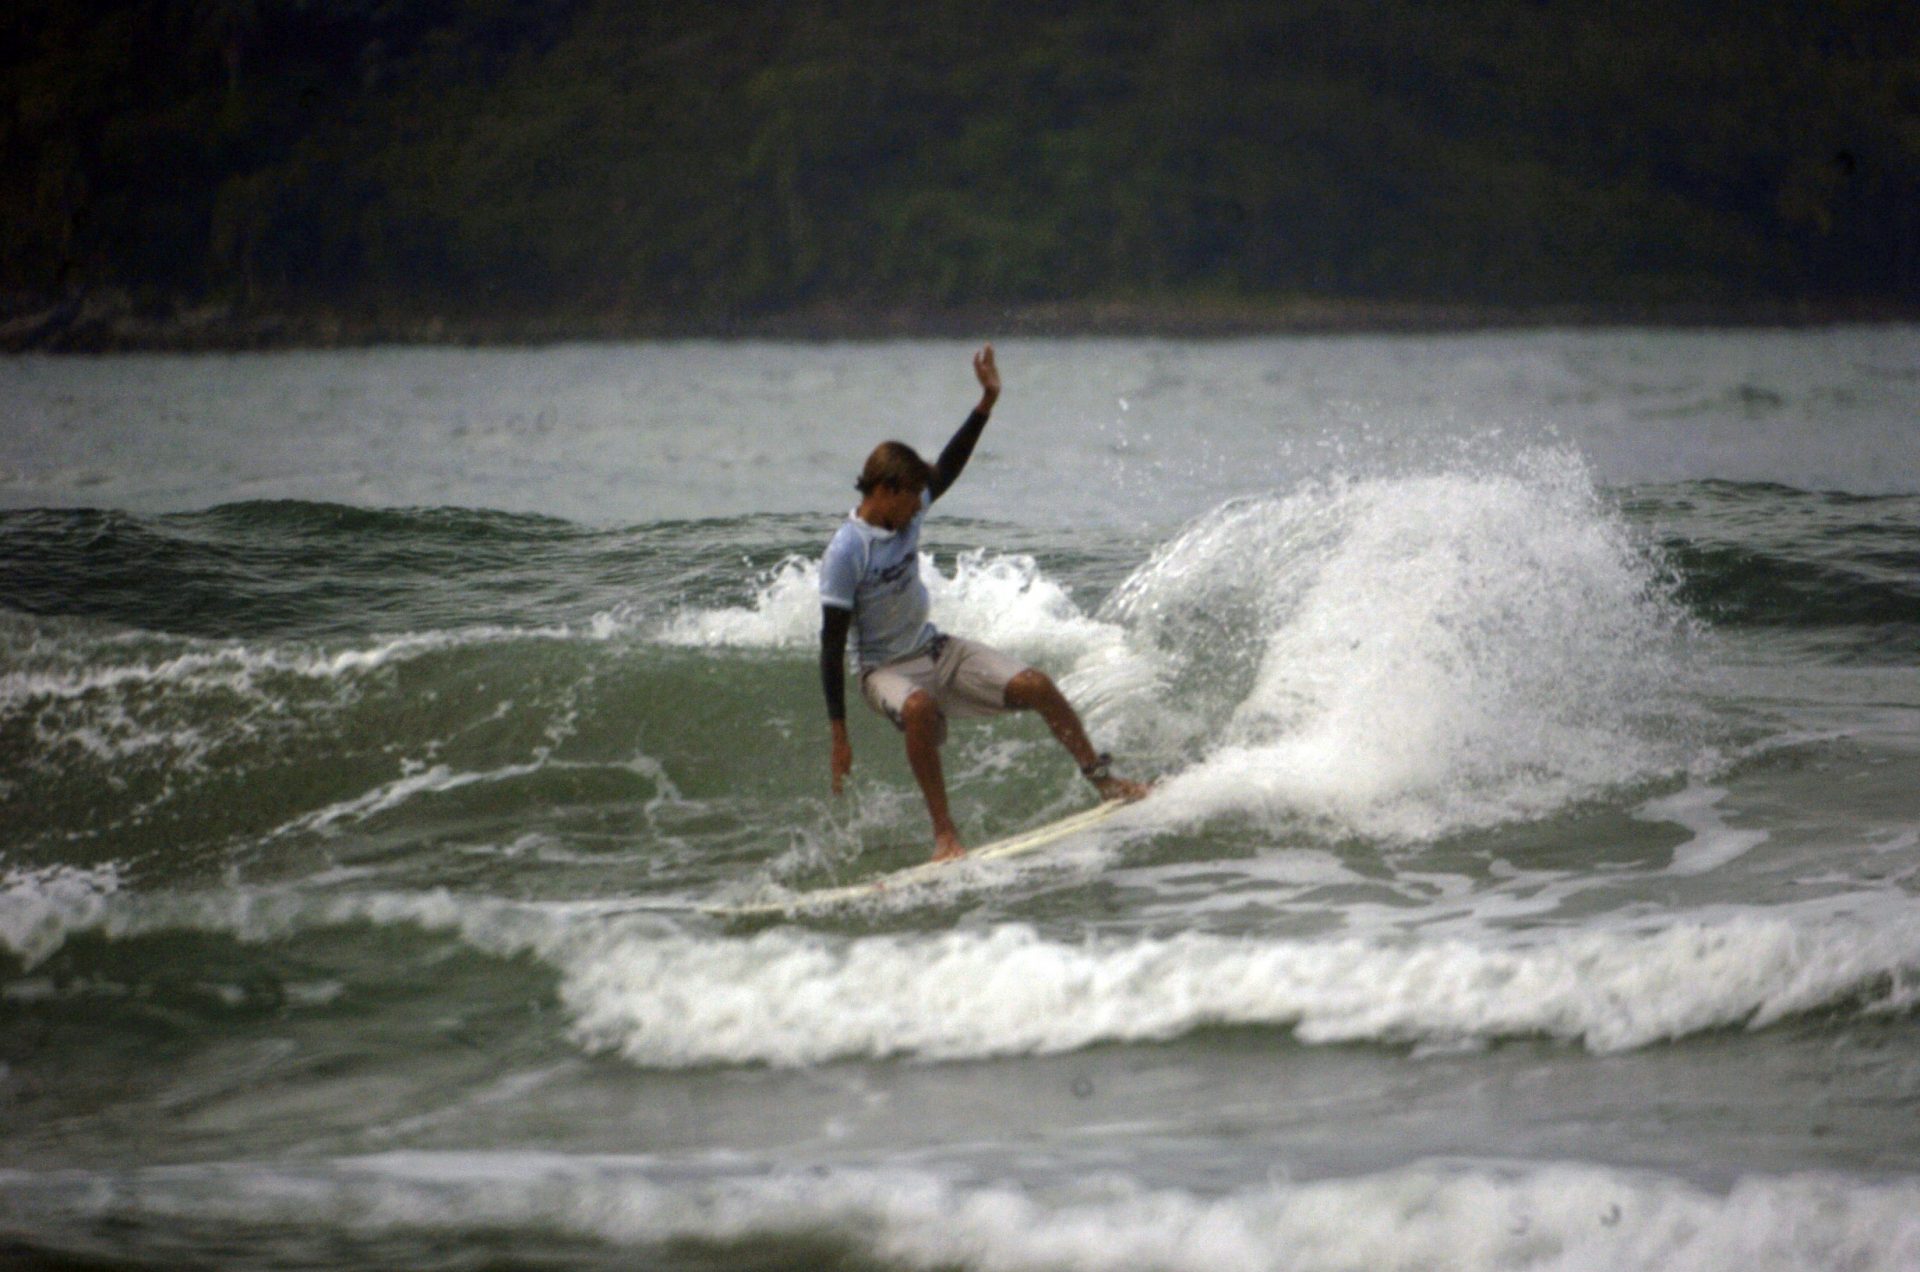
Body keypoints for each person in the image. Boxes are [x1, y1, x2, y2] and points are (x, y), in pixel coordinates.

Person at [819, 344, 1148, 861]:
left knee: (1036, 684)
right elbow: (830, 644)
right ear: (882, 491)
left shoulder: (909, 504)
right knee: (920, 707)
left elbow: (949, 466)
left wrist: (987, 401)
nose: (915, 512)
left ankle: (1103, 779)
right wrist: (840, 736)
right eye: (908, 502)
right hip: (881, 671)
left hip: (935, 651)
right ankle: (945, 836)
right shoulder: (846, 551)